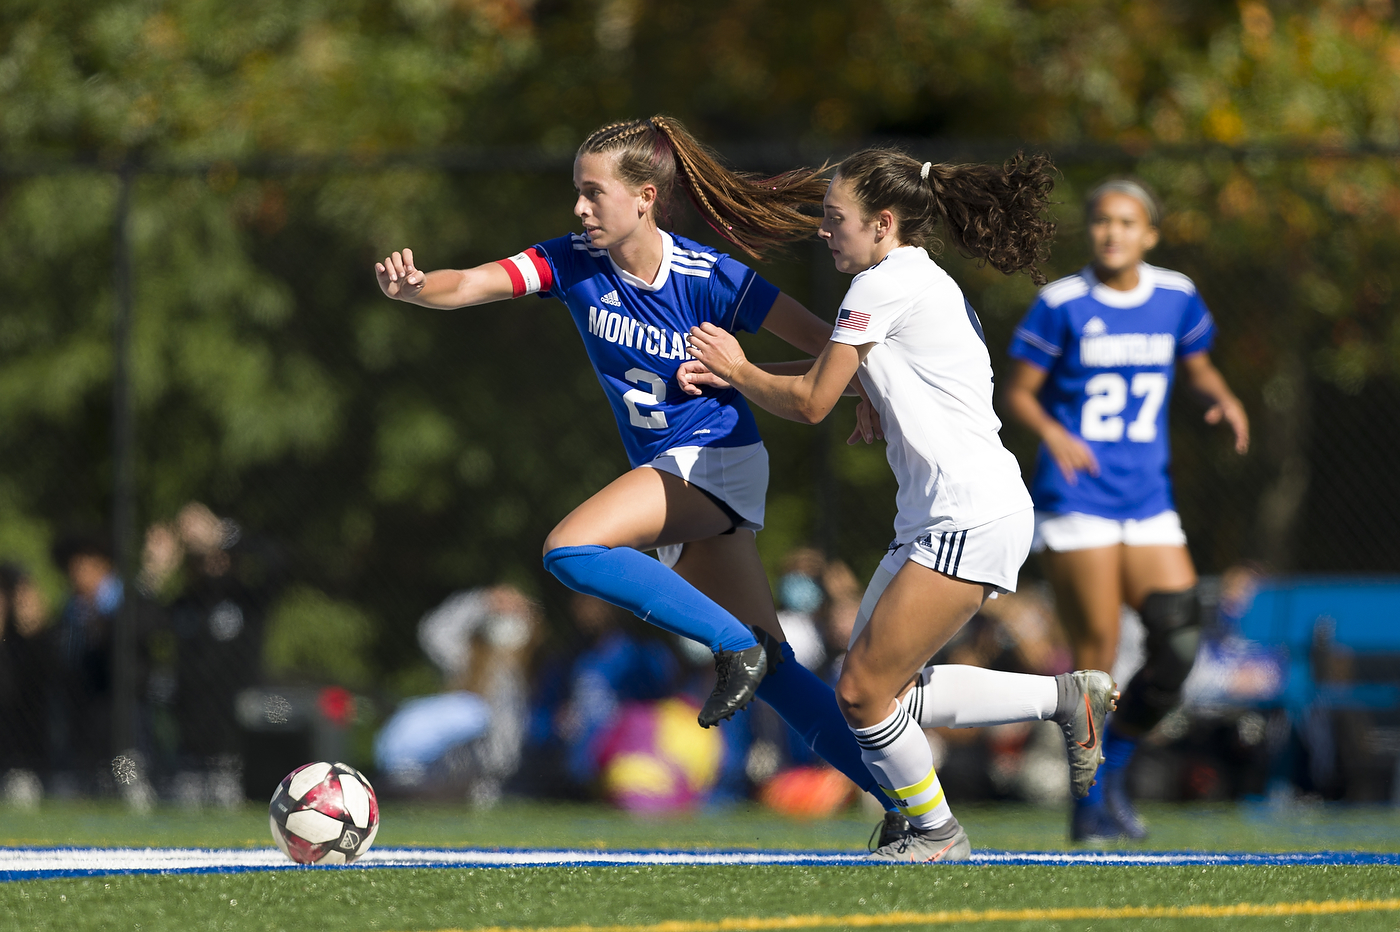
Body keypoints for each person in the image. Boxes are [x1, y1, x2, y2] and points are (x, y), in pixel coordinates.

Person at [374, 115, 912, 824]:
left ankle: (731, 645)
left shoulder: (711, 276)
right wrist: (418, 289)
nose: (579, 208)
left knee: (571, 547)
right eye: (577, 192)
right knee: (779, 673)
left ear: (646, 197)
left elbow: (835, 350)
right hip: (676, 468)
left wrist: (832, 387)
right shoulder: (572, 261)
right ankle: (911, 806)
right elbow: (475, 282)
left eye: (593, 193)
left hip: (716, 457)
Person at [683, 148, 1118, 861]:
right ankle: (1066, 700)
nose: (825, 232)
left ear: (882, 223)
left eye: (835, 219)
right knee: (889, 694)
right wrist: (750, 380)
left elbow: (813, 399)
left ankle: (937, 832)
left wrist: (738, 368)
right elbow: (846, 377)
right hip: (952, 512)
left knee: (861, 695)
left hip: (965, 512)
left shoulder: (882, 284)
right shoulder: (907, 278)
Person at [1002, 179, 1250, 841]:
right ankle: (1086, 805)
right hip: (1077, 499)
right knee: (1097, 660)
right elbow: (1017, 392)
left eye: (1127, 222)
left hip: (1147, 501)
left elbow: (1197, 367)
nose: (1113, 232)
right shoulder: (1062, 304)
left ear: (1150, 234)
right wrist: (1054, 434)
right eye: (1103, 221)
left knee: (1179, 644)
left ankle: (1116, 773)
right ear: (1091, 231)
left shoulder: (1175, 296)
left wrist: (1222, 397)